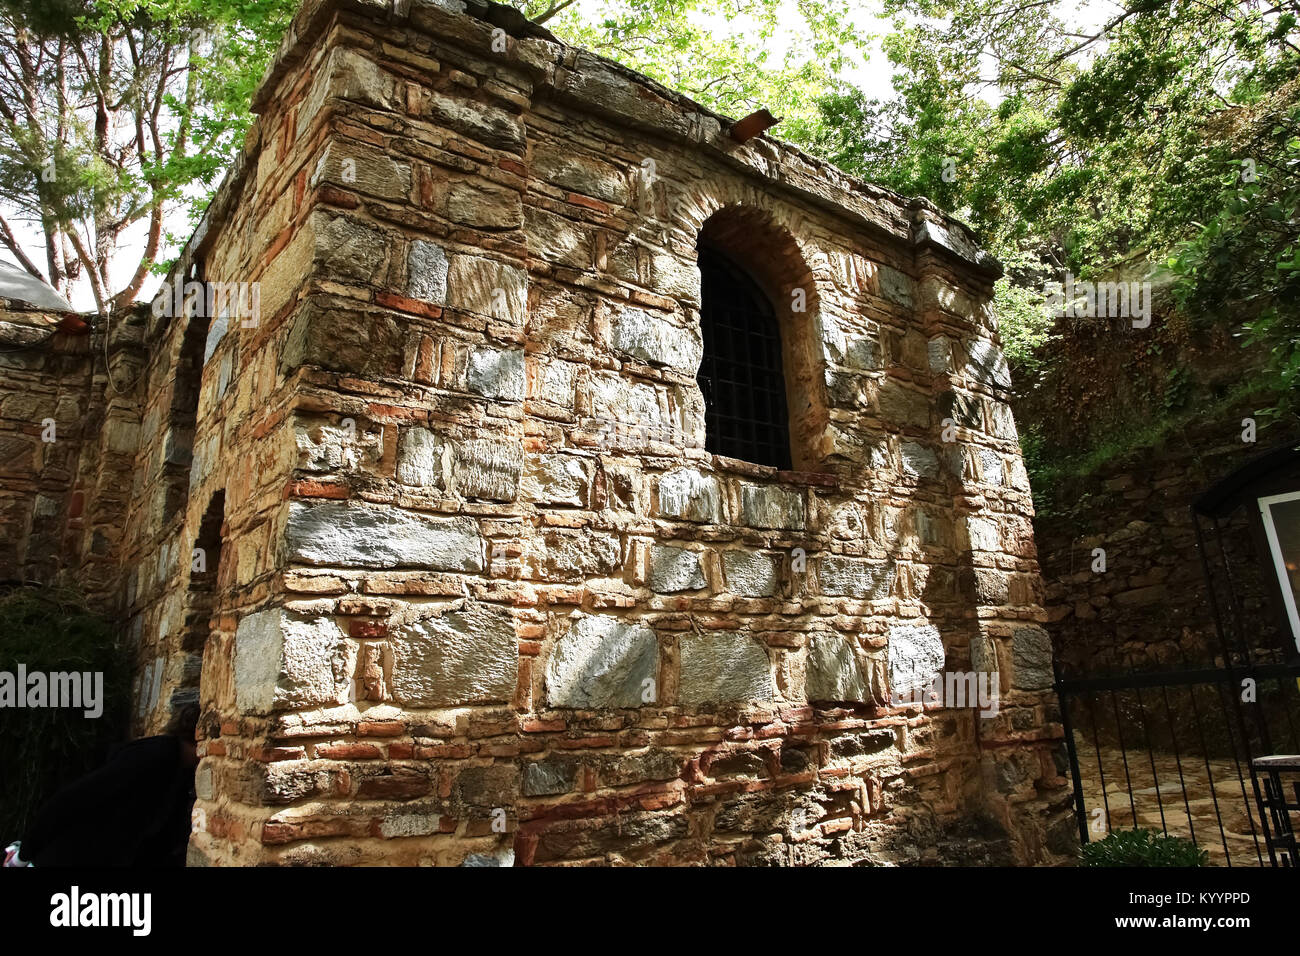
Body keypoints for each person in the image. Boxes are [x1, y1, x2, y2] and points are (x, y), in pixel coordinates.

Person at [8, 704, 200, 867]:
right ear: (196, 737)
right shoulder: (155, 756)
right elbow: (72, 799)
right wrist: (23, 855)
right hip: (70, 856)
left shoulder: (178, 770)